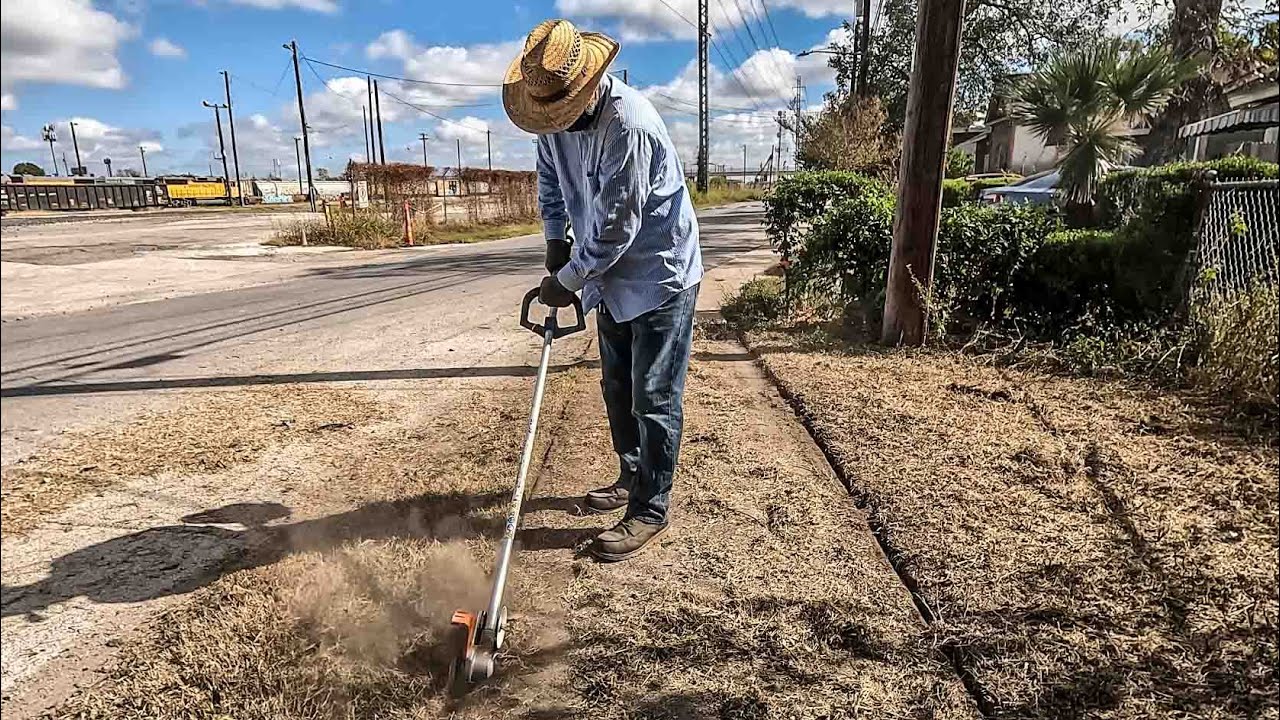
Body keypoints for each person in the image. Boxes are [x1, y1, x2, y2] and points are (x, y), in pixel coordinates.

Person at [502, 19, 703, 563]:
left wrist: (566, 282)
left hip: (659, 272)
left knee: (653, 393)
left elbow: (618, 226)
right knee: (616, 385)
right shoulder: (552, 123)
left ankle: (651, 507)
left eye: (563, 113)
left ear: (587, 87)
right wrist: (554, 243)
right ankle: (631, 473)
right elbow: (550, 182)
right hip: (608, 276)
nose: (557, 126)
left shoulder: (629, 124)